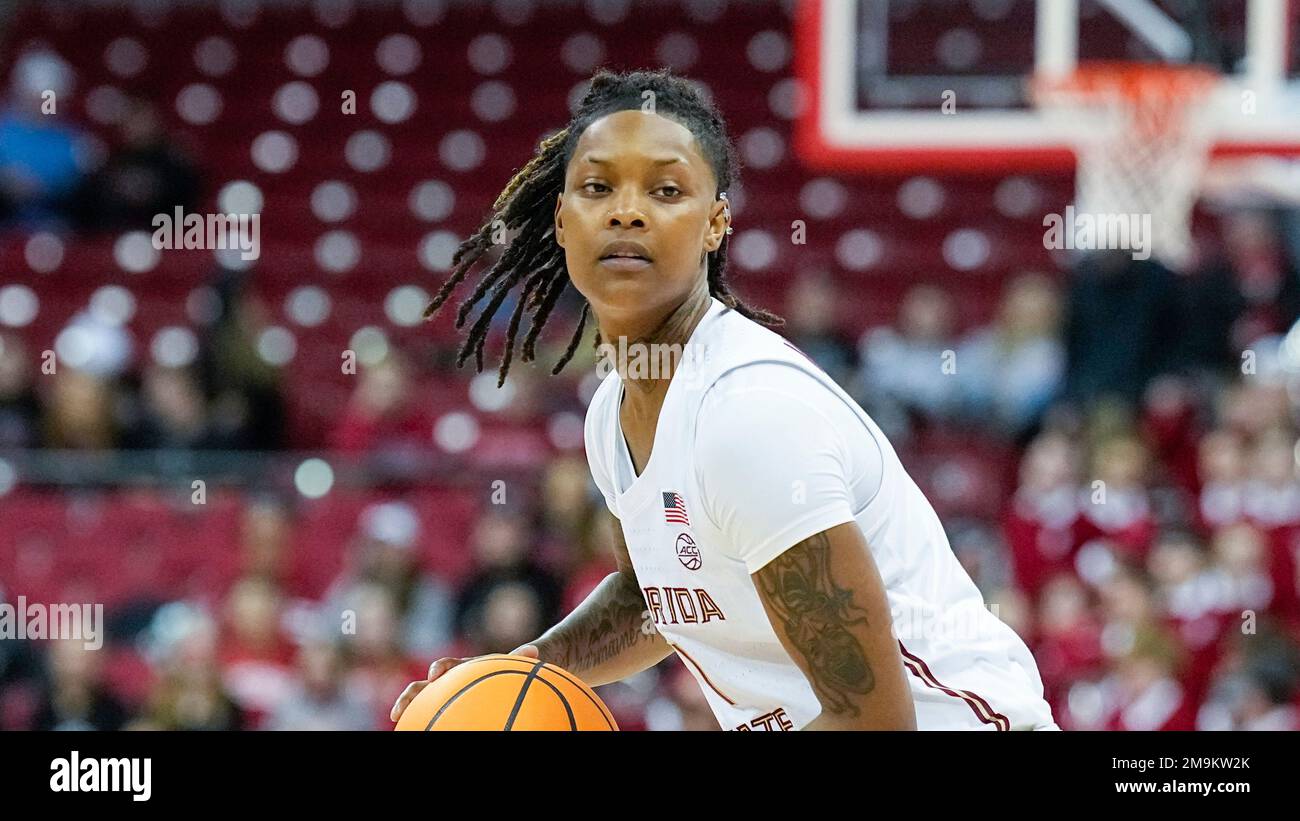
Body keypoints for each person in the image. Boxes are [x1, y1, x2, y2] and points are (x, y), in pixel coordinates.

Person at [392, 69, 1057, 731]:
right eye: (599, 187)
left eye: (666, 189)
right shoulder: (612, 412)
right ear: (564, 222)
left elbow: (875, 721)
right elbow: (659, 596)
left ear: (715, 225)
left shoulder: (747, 415)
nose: (628, 210)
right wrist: (520, 671)